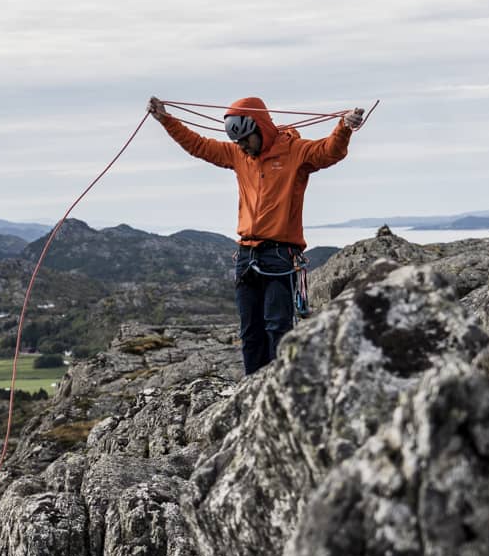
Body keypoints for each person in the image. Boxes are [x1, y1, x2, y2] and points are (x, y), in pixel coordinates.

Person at [149, 96, 364, 376]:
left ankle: (278, 390)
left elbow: (329, 151)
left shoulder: (295, 151)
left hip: (280, 255)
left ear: (261, 128)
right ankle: (253, 391)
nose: (242, 146)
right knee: (251, 332)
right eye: (237, 142)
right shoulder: (239, 155)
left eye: (246, 139)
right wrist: (166, 119)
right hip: (246, 254)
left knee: (278, 327)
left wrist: (344, 128)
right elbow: (198, 146)